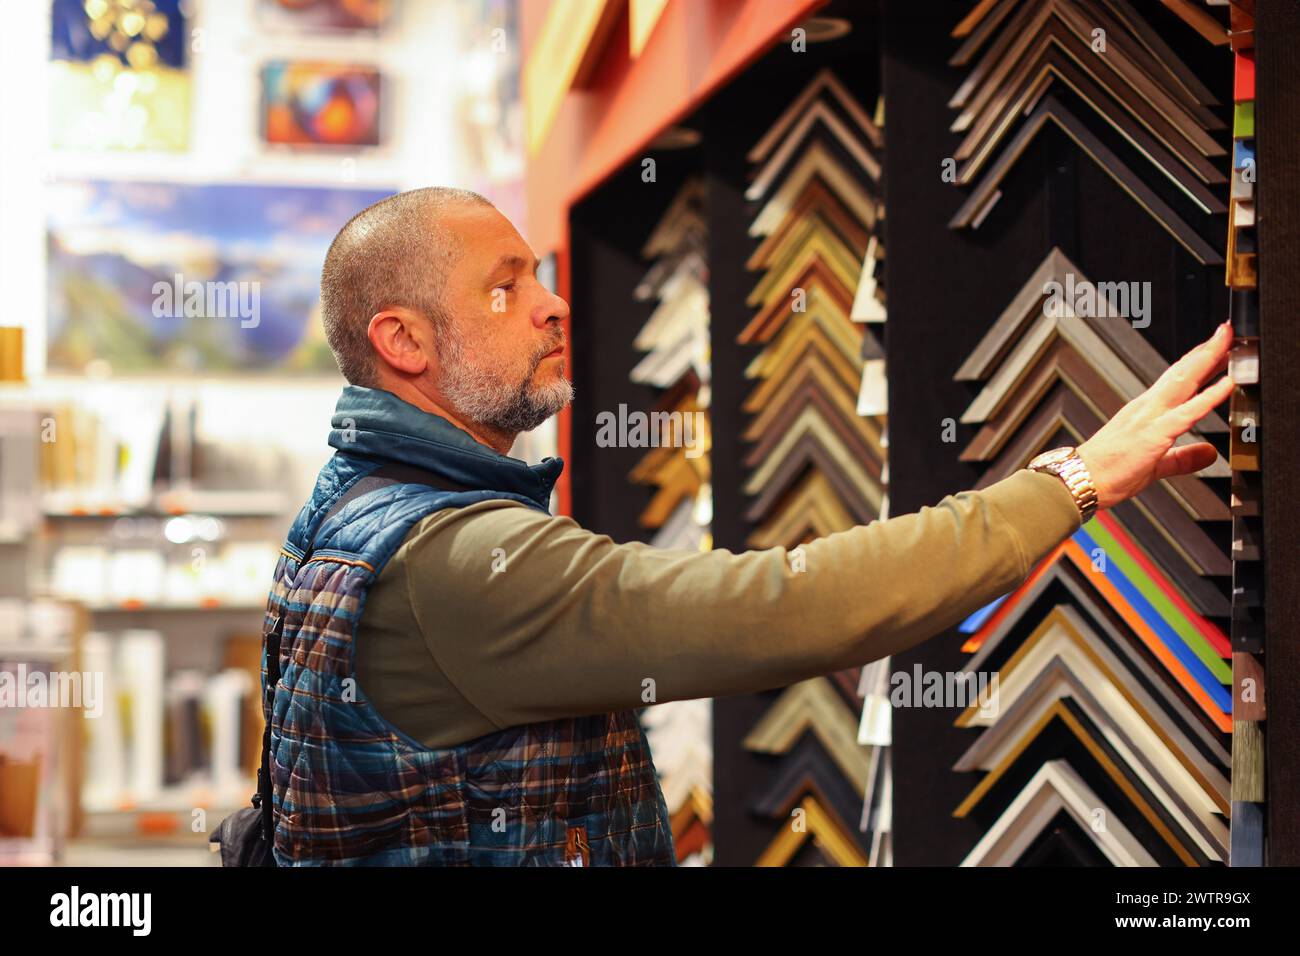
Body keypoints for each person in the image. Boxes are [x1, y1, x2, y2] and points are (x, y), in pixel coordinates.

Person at [261, 186, 1235, 867]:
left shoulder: (357, 503)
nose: (555, 305)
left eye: (544, 275)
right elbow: (786, 605)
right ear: (403, 340)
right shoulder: (457, 558)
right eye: (509, 286)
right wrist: (1074, 477)